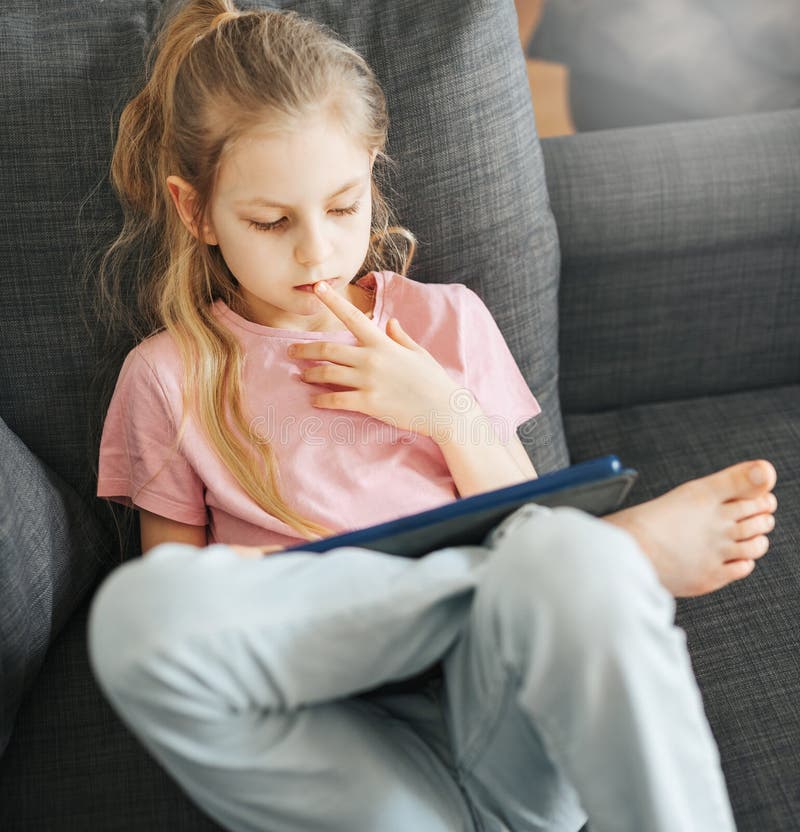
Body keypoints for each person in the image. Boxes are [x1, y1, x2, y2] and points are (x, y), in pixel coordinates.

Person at [86, 2, 778, 831]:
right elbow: (193, 603)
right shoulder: (167, 376)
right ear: (195, 212)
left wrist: (445, 411)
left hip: (509, 710)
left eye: (343, 207)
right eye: (271, 222)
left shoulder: (444, 322)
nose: (316, 251)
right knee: (139, 614)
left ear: (372, 173)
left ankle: (588, 567)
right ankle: (619, 556)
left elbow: (532, 517)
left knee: (555, 556)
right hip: (339, 747)